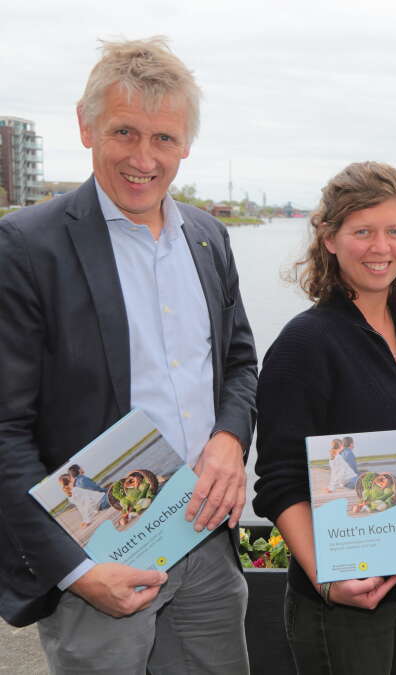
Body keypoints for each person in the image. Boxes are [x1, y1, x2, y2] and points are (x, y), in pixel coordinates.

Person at [0, 37, 258, 674]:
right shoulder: (26, 248)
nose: (145, 158)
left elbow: (241, 362)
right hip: (100, 554)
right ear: (86, 127)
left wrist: (230, 436)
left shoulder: (207, 238)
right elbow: (5, 430)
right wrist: (76, 570)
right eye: (124, 132)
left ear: (186, 145)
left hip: (205, 537)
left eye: (165, 139)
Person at [253, 161, 396, 675]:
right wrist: (327, 578)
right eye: (362, 231)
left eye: (393, 231)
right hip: (342, 594)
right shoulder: (305, 344)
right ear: (329, 239)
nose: (381, 247)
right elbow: (278, 481)